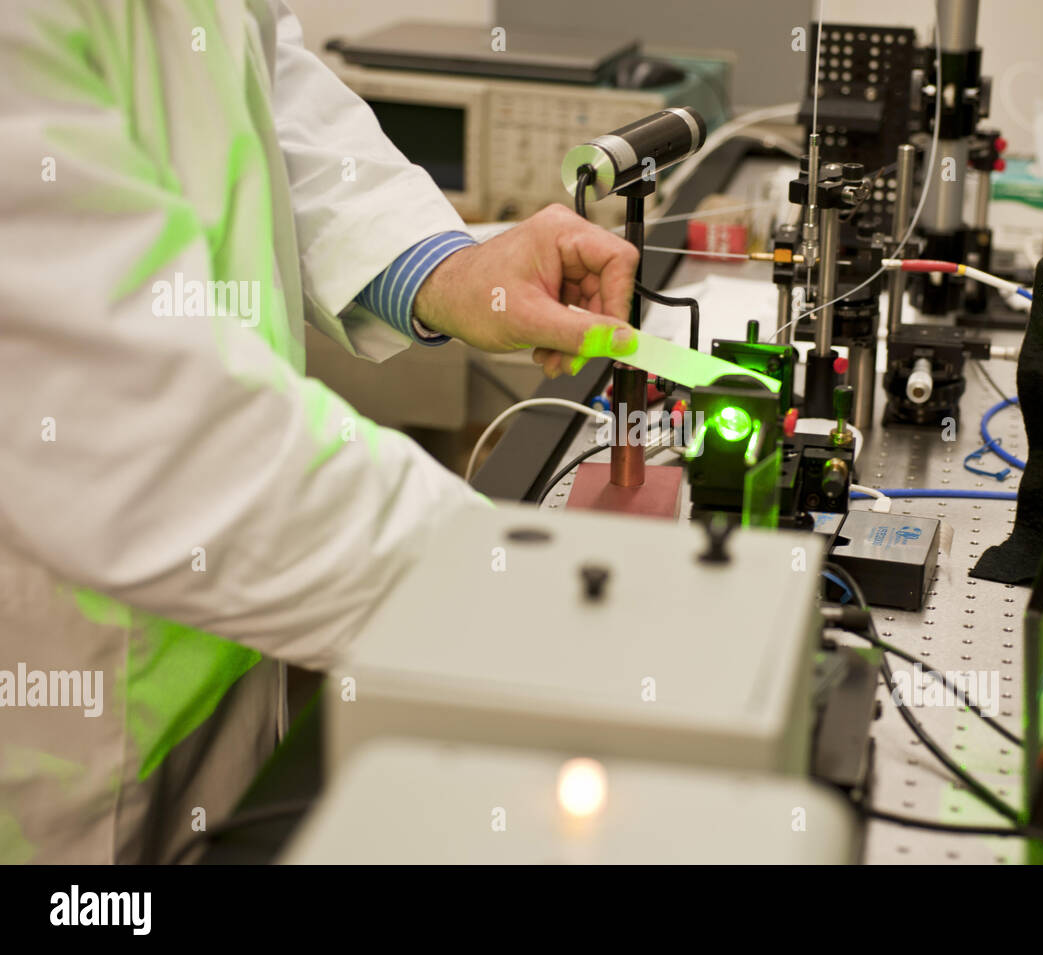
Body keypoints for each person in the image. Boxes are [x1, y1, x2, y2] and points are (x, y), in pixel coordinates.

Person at [0, 0, 639, 863]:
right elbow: (139, 434)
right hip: (45, 729)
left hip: (219, 662)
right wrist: (543, 600)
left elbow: (251, 85)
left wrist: (442, 269)